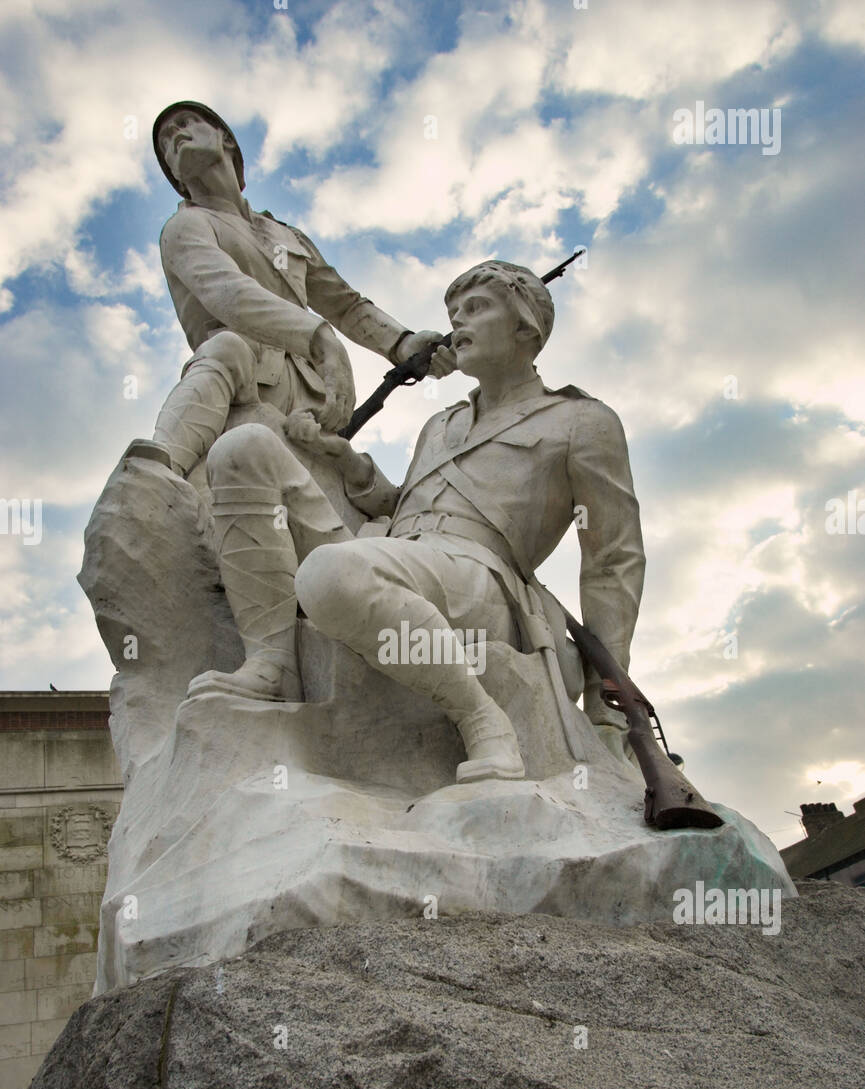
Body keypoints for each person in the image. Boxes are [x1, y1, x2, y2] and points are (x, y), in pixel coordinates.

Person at [284, 259, 645, 781]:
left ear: (526, 323)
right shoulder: (441, 423)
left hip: (486, 582)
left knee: (329, 574)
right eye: (454, 313)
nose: (459, 325)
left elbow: (613, 561)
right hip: (403, 552)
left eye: (476, 309)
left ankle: (481, 719)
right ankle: (264, 666)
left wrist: (606, 704)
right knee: (247, 452)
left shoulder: (581, 422)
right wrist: (345, 461)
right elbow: (408, 505)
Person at [124, 100, 454, 483]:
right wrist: (320, 339)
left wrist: (402, 343)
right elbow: (228, 293)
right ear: (176, 177)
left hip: (313, 398)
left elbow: (345, 304)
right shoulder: (185, 227)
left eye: (185, 123)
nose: (174, 136)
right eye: (165, 141)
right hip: (236, 382)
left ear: (226, 139)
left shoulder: (285, 235)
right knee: (226, 351)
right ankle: (157, 474)